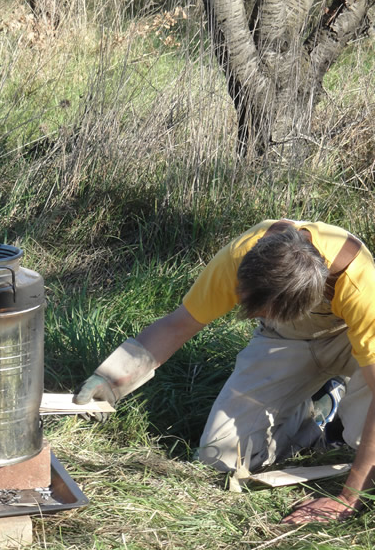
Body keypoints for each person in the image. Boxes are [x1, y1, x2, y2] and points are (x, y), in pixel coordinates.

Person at [73, 219, 375, 524]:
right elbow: (180, 324)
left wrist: (349, 498)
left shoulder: (362, 286)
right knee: (219, 458)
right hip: (284, 340)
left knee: (366, 447)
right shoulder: (241, 255)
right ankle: (319, 409)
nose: (252, 316)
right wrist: (112, 378)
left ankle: (346, 419)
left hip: (351, 343)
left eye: (261, 311)